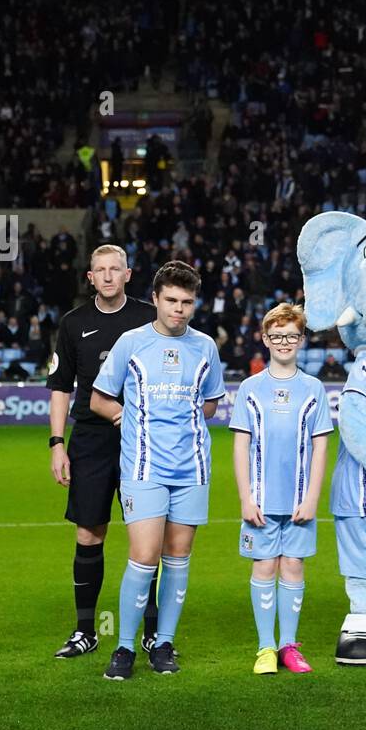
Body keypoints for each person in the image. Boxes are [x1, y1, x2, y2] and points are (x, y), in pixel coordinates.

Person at [90, 261, 225, 680]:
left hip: (192, 469)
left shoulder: (206, 347)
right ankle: (125, 647)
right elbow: (99, 399)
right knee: (144, 556)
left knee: (178, 557)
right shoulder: (131, 343)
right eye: (171, 300)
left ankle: (163, 644)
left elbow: (210, 404)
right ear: (155, 299)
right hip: (144, 467)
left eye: (187, 302)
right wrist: (126, 417)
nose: (179, 309)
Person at [46, 245, 157, 659]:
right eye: (100, 270)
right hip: (91, 440)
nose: (108, 276)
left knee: (147, 537)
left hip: (142, 439)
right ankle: (85, 631)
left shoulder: (150, 317)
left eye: (115, 269)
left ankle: (152, 632)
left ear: (128, 274)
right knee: (89, 532)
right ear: (90, 277)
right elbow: (61, 387)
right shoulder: (73, 323)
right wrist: (57, 444)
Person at [231, 303, 333, 675]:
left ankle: (289, 647)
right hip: (260, 502)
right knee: (264, 566)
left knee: (292, 566)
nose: (284, 342)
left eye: (291, 335)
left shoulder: (313, 388)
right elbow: (241, 446)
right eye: (277, 336)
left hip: (298, 503)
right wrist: (245, 497)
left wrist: (312, 497)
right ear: (265, 338)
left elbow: (320, 447)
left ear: (301, 339)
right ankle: (265, 648)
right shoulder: (250, 388)